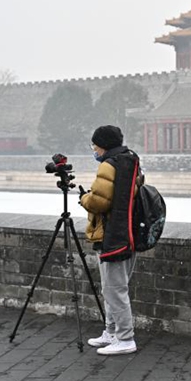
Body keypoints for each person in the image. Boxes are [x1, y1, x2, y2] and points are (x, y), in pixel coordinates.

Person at [79, 125, 141, 355]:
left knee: (114, 289)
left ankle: (125, 338)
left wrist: (84, 198)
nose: (93, 148)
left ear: (103, 145)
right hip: (129, 232)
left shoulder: (109, 165)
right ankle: (111, 331)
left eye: (95, 144)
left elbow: (100, 202)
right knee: (113, 287)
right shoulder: (130, 160)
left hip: (112, 234)